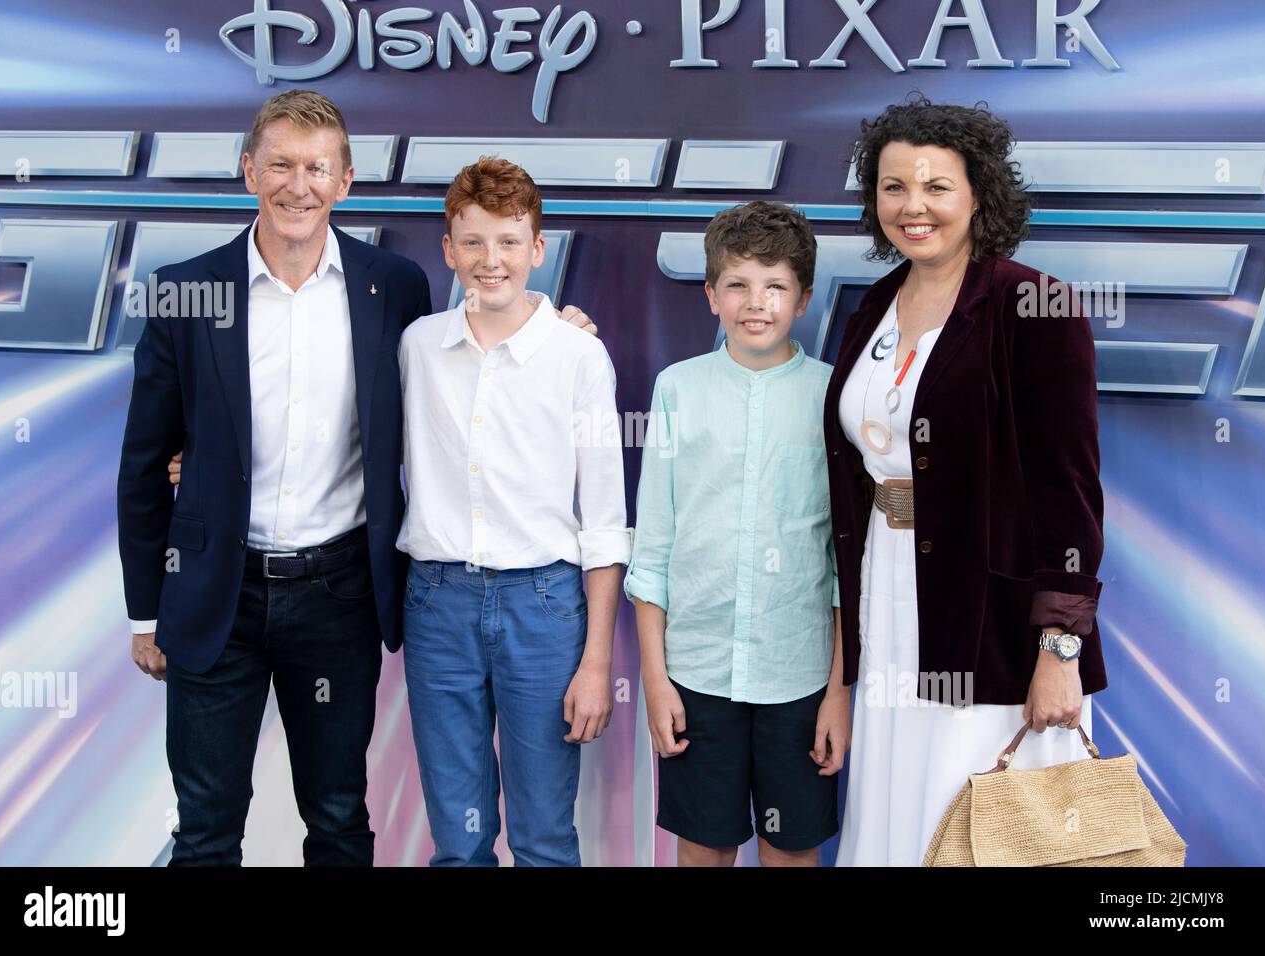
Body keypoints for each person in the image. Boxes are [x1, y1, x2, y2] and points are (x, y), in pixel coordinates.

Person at [124, 92, 595, 866]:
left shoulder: (394, 287)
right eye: (280, 164)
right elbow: (145, 463)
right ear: (249, 171)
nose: (297, 185)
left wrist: (559, 326)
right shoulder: (187, 291)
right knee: (206, 825)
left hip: (337, 594)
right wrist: (145, 609)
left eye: (317, 167)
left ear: (345, 180)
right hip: (216, 594)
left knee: (340, 816)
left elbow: (481, 347)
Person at [825, 95, 1108, 867]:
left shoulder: (1034, 305)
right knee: (895, 804)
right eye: (892, 187)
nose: (912, 207)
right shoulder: (875, 306)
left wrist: (1060, 646)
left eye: (935, 187)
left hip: (985, 619)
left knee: (975, 815)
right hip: (887, 593)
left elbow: (1069, 493)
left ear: (978, 193)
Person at [395, 157, 631, 866]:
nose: (489, 260)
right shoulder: (418, 348)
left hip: (545, 604)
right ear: (449, 251)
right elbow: (353, 438)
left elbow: (605, 520)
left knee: (544, 836)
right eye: (472, 243)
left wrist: (596, 662)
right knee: (459, 838)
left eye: (507, 242)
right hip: (439, 602)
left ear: (537, 248)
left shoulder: (578, 356)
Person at [626, 201, 850, 867]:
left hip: (800, 678)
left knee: (792, 851)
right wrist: (656, 680)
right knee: (704, 848)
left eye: (776, 286)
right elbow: (654, 545)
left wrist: (839, 694)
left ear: (804, 298)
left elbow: (845, 564)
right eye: (739, 285)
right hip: (696, 674)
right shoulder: (677, 390)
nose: (757, 303)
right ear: (711, 295)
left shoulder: (833, 397)